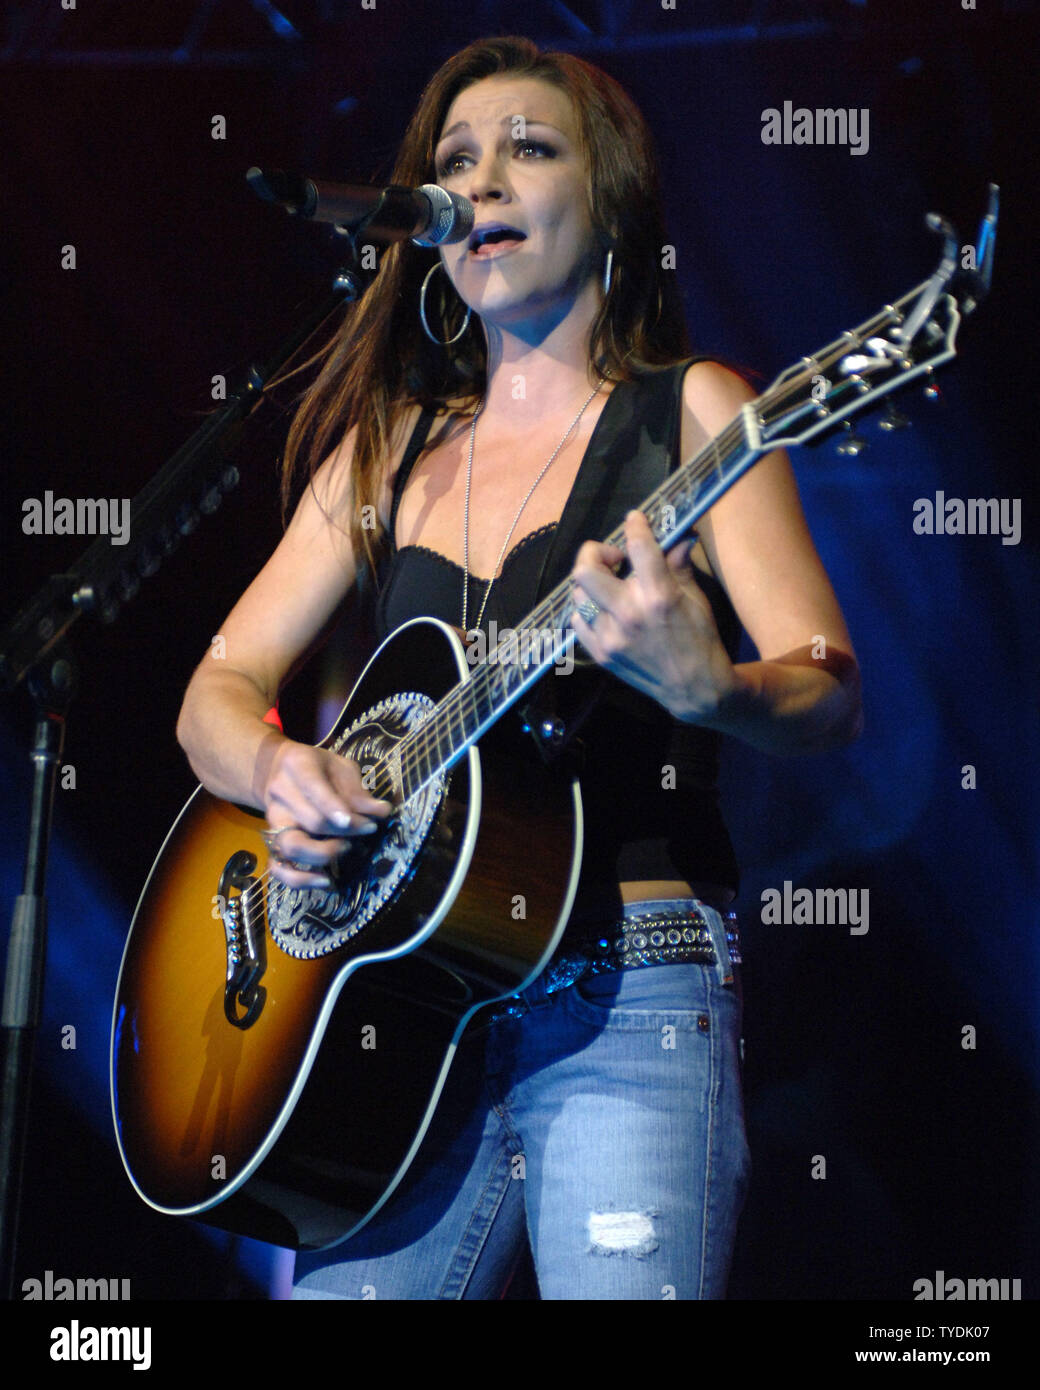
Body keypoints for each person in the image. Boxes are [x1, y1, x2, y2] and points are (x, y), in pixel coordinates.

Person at [176, 35, 862, 1300]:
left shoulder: (694, 414)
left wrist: (708, 687)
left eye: (527, 150)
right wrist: (282, 768)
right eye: (452, 163)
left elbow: (826, 687)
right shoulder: (383, 456)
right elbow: (212, 695)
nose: (480, 183)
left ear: (607, 209)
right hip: (402, 1007)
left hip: (626, 986)